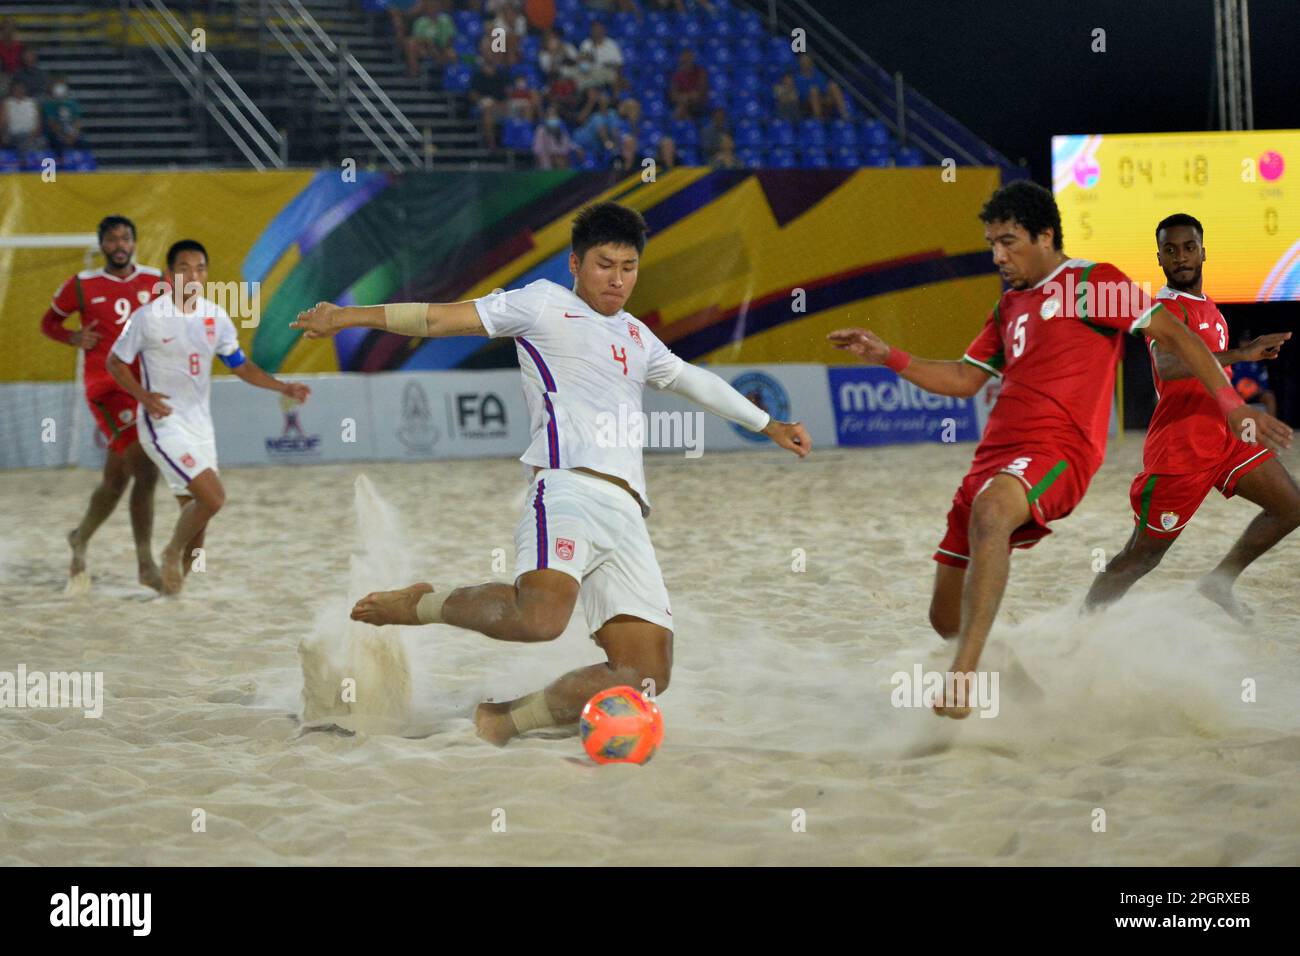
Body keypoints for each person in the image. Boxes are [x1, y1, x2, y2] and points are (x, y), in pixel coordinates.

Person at [290, 202, 811, 746]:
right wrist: (348, 318)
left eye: (628, 267)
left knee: (646, 676)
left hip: (629, 514)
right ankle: (420, 603)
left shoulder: (636, 335)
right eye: (604, 264)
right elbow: (439, 318)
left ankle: (504, 720)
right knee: (540, 620)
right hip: (567, 489)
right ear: (575, 264)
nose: (617, 279)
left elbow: (691, 381)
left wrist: (768, 423)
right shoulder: (541, 304)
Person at [828, 182, 1292, 718]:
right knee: (945, 615)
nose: (997, 255)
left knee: (993, 511)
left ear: (1045, 235)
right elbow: (961, 379)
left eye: (1007, 241)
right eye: (991, 244)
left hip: (1059, 451)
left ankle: (962, 681)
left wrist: (1233, 404)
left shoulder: (1092, 283)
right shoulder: (1009, 306)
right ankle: (1031, 698)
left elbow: (1174, 339)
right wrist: (889, 355)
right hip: (995, 457)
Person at [1083, 214, 1298, 618]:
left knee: (1292, 506)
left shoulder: (1211, 310)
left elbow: (1214, 375)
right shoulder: (1164, 308)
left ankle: (1217, 582)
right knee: (1141, 557)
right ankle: (1081, 627)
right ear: (1159, 259)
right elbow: (1167, 366)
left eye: (1188, 247)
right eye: (1170, 250)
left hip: (1224, 439)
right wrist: (1241, 353)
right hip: (1181, 449)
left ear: (1203, 251)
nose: (1180, 256)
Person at [107, 240, 311, 595]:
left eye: (200, 268)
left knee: (197, 543)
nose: (194, 275)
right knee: (213, 498)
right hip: (162, 423)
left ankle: (171, 598)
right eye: (184, 268)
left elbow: (241, 366)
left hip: (201, 427)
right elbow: (114, 362)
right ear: (169, 276)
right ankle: (168, 552)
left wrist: (282, 387)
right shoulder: (149, 317)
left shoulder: (216, 317)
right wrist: (143, 396)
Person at [41, 215, 164, 591]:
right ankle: (145, 564)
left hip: (144, 388)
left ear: (135, 243)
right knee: (146, 469)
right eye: (111, 240)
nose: (119, 245)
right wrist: (74, 337)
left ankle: (79, 538)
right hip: (106, 388)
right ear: (101, 245)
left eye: (125, 238)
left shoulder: (155, 281)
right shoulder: (81, 285)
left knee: (115, 481)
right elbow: (50, 324)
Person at [1232, 329, 1280, 420]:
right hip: (1238, 394)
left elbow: (1264, 385)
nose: (1245, 344)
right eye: (1243, 341)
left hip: (1256, 395)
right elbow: (1226, 381)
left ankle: (1272, 429)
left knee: (1270, 397)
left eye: (1248, 341)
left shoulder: (1259, 361)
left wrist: (1253, 390)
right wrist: (1240, 390)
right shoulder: (1233, 361)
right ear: (1239, 343)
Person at [403, 0, 456, 79]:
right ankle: (414, 73)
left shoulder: (446, 20)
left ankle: (451, 79)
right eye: (431, 6)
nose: (433, 8)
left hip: (441, 48)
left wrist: (442, 47)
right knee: (411, 43)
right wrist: (428, 43)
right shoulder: (420, 22)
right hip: (425, 50)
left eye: (435, 5)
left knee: (452, 54)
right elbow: (417, 39)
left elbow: (450, 38)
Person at [42, 75, 85, 151]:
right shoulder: (49, 105)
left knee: (83, 143)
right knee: (58, 144)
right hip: (56, 134)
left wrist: (74, 135)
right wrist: (63, 136)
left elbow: (78, 122)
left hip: (72, 132)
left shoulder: (73, 104)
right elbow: (52, 124)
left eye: (63, 85)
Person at [1, 78, 43, 152]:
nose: (19, 90)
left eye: (21, 88)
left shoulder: (33, 102)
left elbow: (38, 123)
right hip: (14, 135)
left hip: (31, 134)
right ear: (12, 90)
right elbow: (3, 122)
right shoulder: (7, 103)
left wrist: (33, 135)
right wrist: (4, 134)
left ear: (25, 89)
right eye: (16, 88)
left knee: (40, 142)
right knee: (22, 143)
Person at [670, 49, 708, 121]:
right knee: (681, 108)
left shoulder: (701, 73)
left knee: (682, 109)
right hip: (683, 103)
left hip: (698, 105)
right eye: (684, 59)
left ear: (692, 59)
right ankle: (687, 128)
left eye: (688, 58)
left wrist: (688, 97)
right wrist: (685, 97)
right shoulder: (677, 75)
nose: (686, 61)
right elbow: (673, 95)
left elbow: (702, 93)